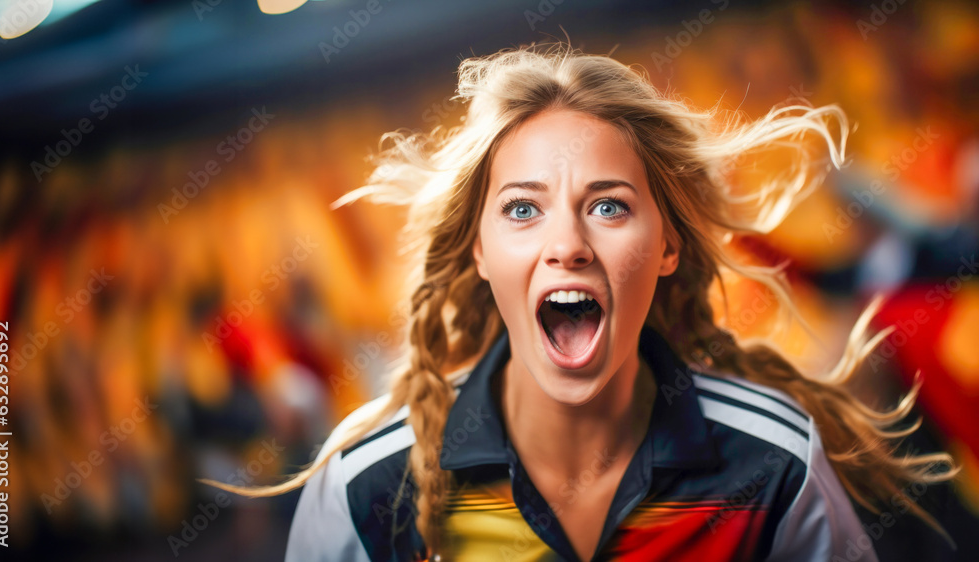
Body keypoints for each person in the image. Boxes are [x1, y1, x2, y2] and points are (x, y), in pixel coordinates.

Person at [206, 42, 959, 561]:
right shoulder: (364, 489)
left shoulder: (777, 464)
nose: (566, 243)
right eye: (523, 210)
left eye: (608, 207)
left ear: (667, 248)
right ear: (478, 248)